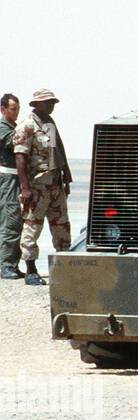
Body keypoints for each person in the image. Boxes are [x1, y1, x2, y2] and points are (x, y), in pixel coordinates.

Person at [13, 89, 72, 286]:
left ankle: (64, 269)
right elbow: (20, 157)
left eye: (52, 102)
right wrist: (25, 188)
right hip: (37, 186)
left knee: (61, 225)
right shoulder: (27, 126)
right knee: (32, 226)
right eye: (47, 102)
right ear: (36, 104)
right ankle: (31, 269)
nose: (51, 105)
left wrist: (66, 176)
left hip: (55, 184)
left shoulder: (49, 123)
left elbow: (58, 150)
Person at [0, 93, 22, 279]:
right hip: (9, 179)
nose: (16, 112)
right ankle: (6, 265)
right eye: (13, 109)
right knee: (11, 220)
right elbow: (11, 142)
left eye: (17, 109)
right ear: (3, 109)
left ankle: (11, 264)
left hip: (16, 179)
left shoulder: (13, 127)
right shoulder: (3, 128)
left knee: (16, 221)